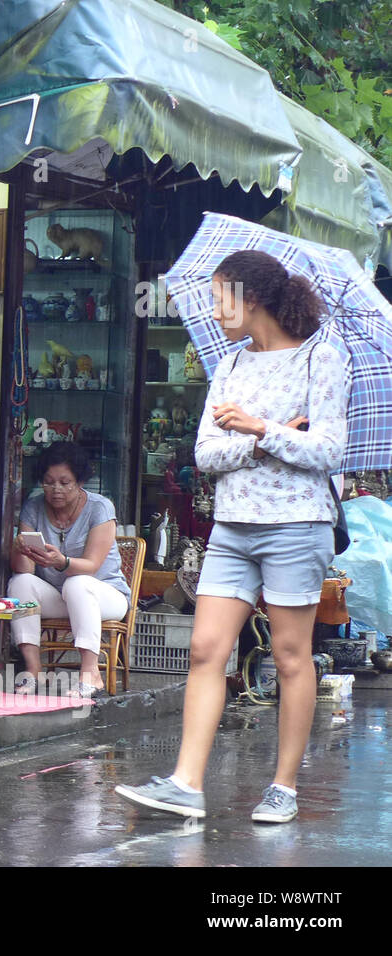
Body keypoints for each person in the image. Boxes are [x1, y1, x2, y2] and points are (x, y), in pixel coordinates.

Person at [116, 250, 347, 824]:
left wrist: (256, 425)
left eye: (222, 299)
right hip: (232, 527)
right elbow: (205, 454)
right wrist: (265, 438)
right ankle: (186, 784)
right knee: (204, 651)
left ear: (253, 299)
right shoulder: (229, 366)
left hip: (296, 526)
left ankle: (284, 788)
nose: (215, 311)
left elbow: (327, 451)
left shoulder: (323, 357)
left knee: (292, 656)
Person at [8, 441, 132, 698]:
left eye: (65, 483)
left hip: (105, 596)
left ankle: (91, 673)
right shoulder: (34, 507)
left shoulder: (100, 508)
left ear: (80, 482)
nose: (56, 490)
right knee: (19, 583)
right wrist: (19, 548)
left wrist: (61, 562)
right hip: (60, 596)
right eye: (49, 481)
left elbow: (92, 565)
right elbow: (26, 570)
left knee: (77, 582)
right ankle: (33, 670)